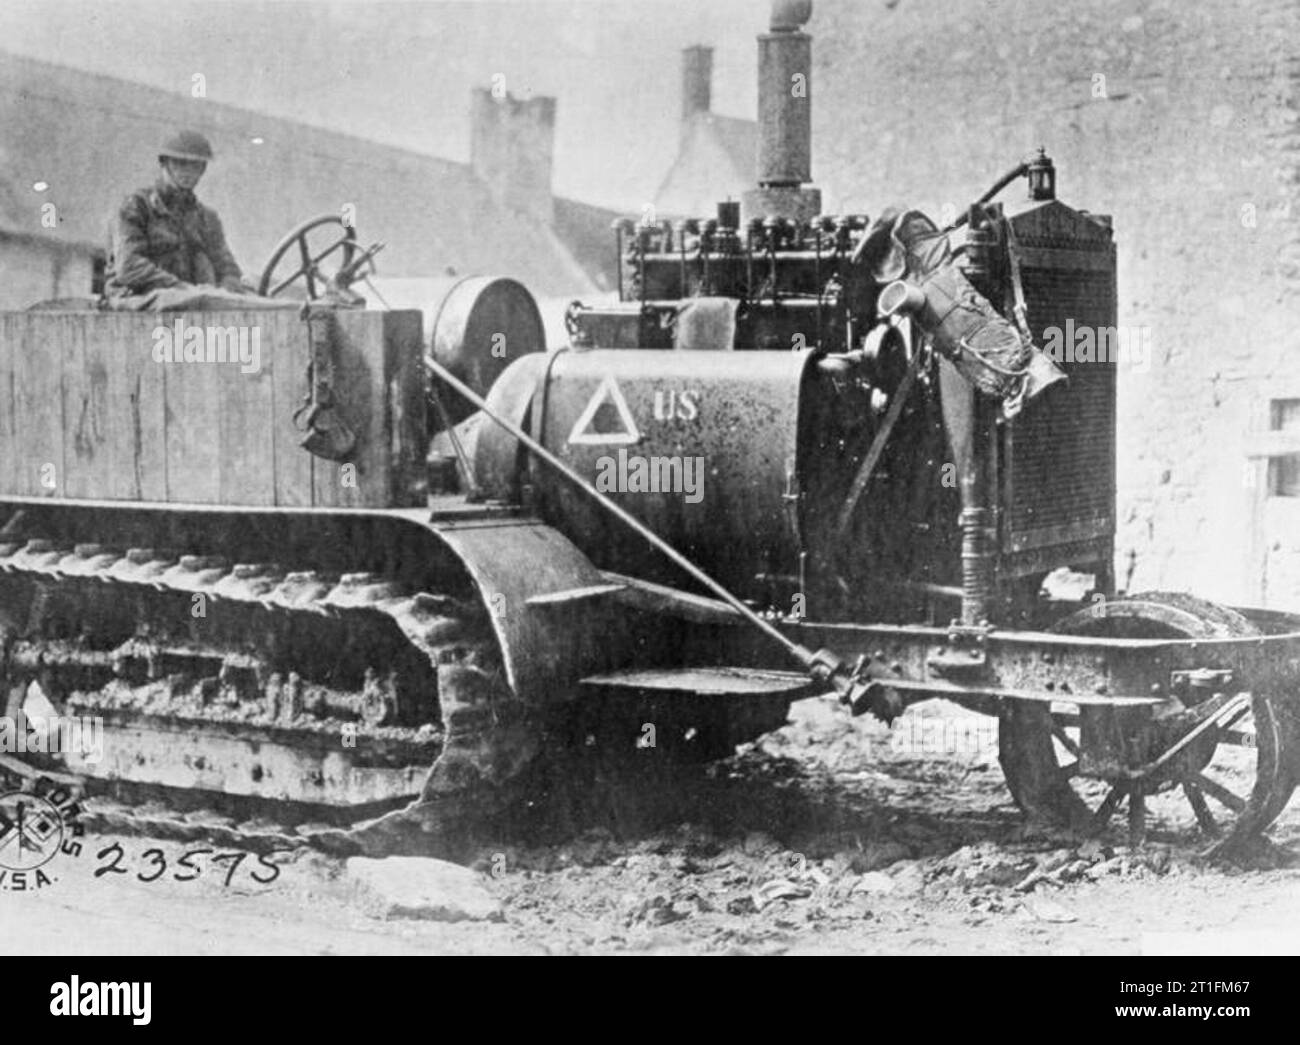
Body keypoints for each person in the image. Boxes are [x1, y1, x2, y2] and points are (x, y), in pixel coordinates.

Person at [104, 130, 292, 311]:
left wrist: (226, 289)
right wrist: (184, 289)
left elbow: (227, 268)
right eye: (180, 164)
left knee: (255, 299)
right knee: (192, 299)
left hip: (195, 301)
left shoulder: (207, 218)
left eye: (195, 166)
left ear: (203, 169)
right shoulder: (136, 207)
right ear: (164, 164)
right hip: (138, 299)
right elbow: (129, 267)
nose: (187, 172)